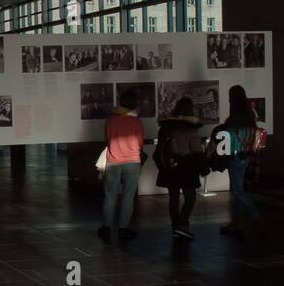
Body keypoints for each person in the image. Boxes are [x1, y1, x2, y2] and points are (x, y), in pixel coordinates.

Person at [210, 85, 263, 238]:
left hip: (236, 156)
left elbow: (226, 131)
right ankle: (237, 224)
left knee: (237, 190)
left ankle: (257, 218)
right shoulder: (249, 116)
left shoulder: (235, 117)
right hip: (245, 155)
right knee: (238, 189)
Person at [154, 97, 205, 240]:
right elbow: (196, 150)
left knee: (173, 199)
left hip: (170, 167)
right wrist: (204, 167)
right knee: (190, 198)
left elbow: (160, 148)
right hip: (187, 166)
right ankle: (183, 225)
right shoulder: (191, 128)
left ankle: (176, 227)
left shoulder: (166, 127)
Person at [99, 88, 145, 242]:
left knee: (110, 196)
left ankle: (106, 228)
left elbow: (107, 139)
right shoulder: (136, 121)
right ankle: (123, 229)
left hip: (113, 161)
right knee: (128, 197)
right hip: (132, 162)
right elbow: (140, 143)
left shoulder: (111, 120)